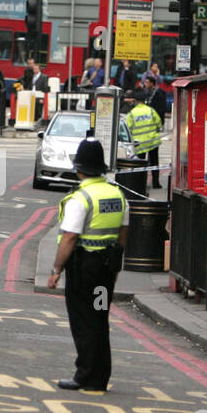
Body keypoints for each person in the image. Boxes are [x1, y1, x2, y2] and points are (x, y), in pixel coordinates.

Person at [46, 138, 128, 393]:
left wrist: (56, 270)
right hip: (105, 269)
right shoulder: (118, 194)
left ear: (79, 168)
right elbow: (123, 232)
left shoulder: (81, 198)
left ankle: (85, 375)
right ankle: (100, 376)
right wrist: (115, 266)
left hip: (84, 268)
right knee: (100, 318)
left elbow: (69, 238)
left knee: (83, 320)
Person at [125, 88, 162, 194]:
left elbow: (128, 128)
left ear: (135, 101)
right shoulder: (150, 110)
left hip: (139, 143)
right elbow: (159, 123)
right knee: (154, 162)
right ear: (144, 100)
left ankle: (141, 184)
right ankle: (156, 183)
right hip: (153, 141)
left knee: (140, 165)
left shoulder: (132, 113)